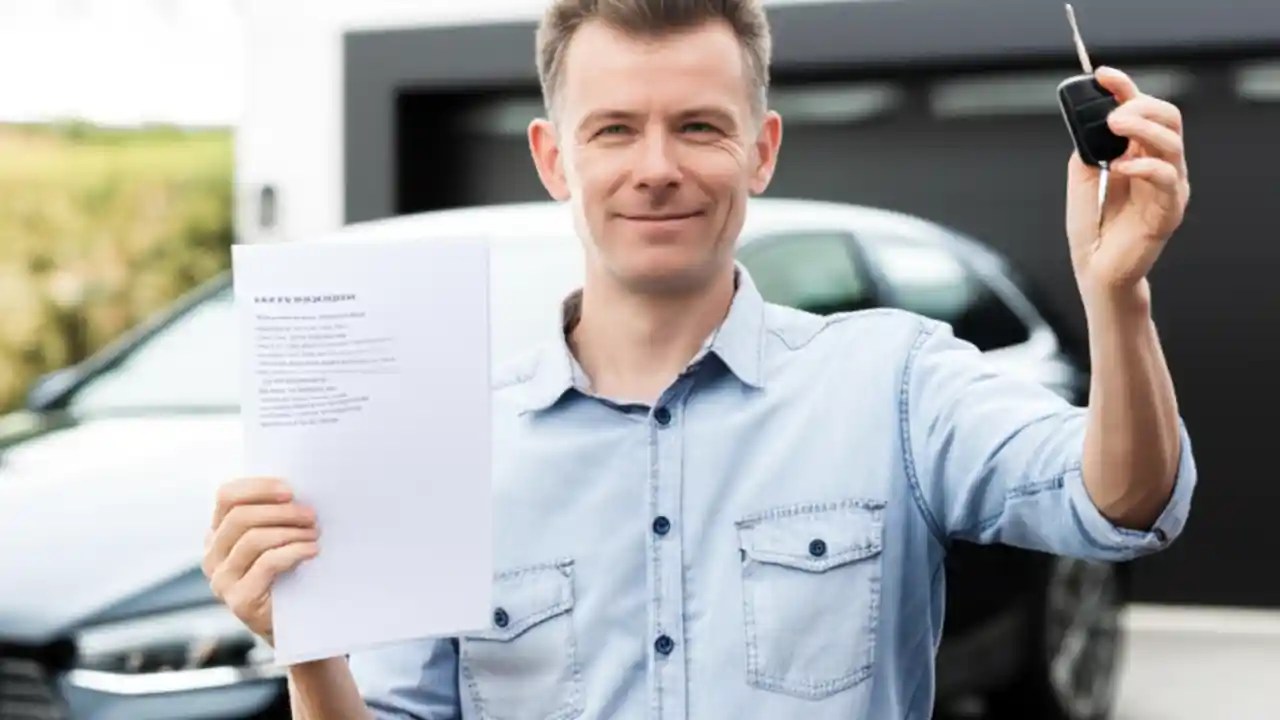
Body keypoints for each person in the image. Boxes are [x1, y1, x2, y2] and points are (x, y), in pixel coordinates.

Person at [201, 0, 1198, 717]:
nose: (656, 167)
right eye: (614, 130)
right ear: (555, 158)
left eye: (697, 127)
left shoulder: (891, 381)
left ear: (759, 149)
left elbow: (1118, 505)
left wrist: (1116, 295)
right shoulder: (445, 444)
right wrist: (313, 653)